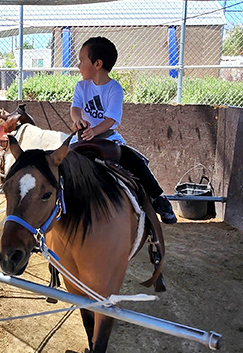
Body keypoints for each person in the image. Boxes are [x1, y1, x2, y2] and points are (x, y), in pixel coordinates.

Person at [70, 37, 177, 224]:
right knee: (60, 160)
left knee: (134, 161)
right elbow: (75, 108)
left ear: (97, 64)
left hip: (107, 138)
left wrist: (94, 131)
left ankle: (158, 199)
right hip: (84, 137)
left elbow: (111, 120)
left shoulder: (114, 89)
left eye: (81, 60)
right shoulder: (81, 86)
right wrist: (78, 120)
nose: (78, 65)